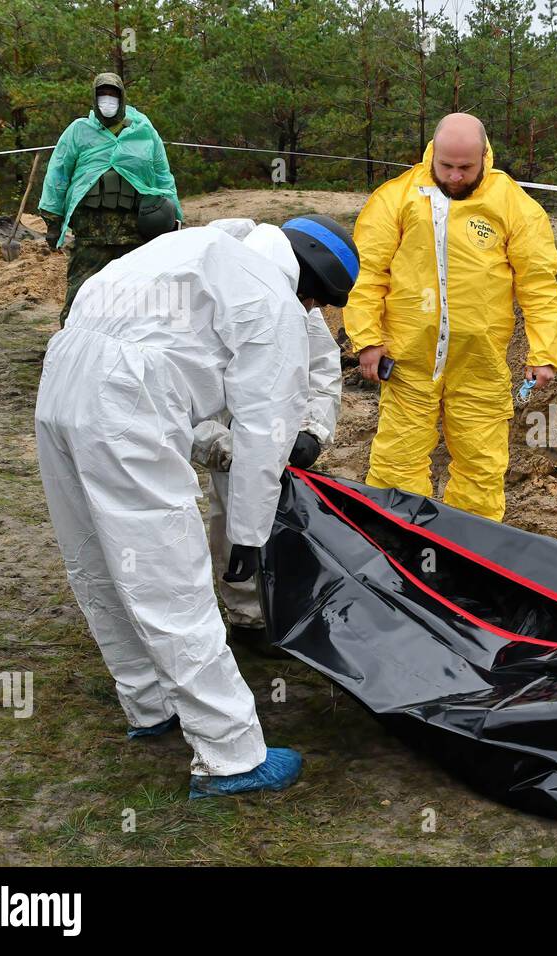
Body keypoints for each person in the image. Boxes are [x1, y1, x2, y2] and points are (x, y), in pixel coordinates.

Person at [35, 214, 357, 798]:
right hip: (125, 408)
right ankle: (230, 754)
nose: (311, 309)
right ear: (310, 279)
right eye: (315, 300)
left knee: (97, 559)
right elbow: (264, 429)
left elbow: (162, 362)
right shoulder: (272, 297)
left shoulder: (194, 246)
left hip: (61, 381)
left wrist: (209, 441)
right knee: (171, 581)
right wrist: (249, 535)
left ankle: (148, 701)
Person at [344, 112, 557, 522]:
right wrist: (368, 339)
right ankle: (396, 539)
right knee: (396, 463)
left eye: (466, 167)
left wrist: (544, 352)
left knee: (481, 468)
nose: (456, 176)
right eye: (446, 166)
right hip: (408, 361)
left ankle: (470, 547)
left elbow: (538, 285)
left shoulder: (513, 205)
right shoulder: (397, 198)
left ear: (484, 157)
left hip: (479, 364)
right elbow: (368, 272)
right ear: (432, 154)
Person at [190, 217, 352, 656]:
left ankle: (262, 614)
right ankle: (230, 619)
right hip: (187, 415)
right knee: (187, 515)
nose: (311, 307)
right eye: (313, 298)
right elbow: (172, 402)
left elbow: (322, 365)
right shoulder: (207, 275)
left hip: (256, 416)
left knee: (262, 500)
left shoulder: (289, 292)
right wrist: (226, 448)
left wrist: (313, 429)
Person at [38, 72, 182, 326]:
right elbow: (58, 174)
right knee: (81, 297)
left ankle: (130, 345)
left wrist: (175, 217)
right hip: (91, 235)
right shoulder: (79, 131)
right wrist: (52, 220)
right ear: (94, 99)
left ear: (122, 97)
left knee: (137, 300)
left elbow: (162, 175)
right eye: (102, 95)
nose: (107, 100)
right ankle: (73, 343)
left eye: (112, 94)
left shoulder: (143, 131)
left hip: (135, 233)